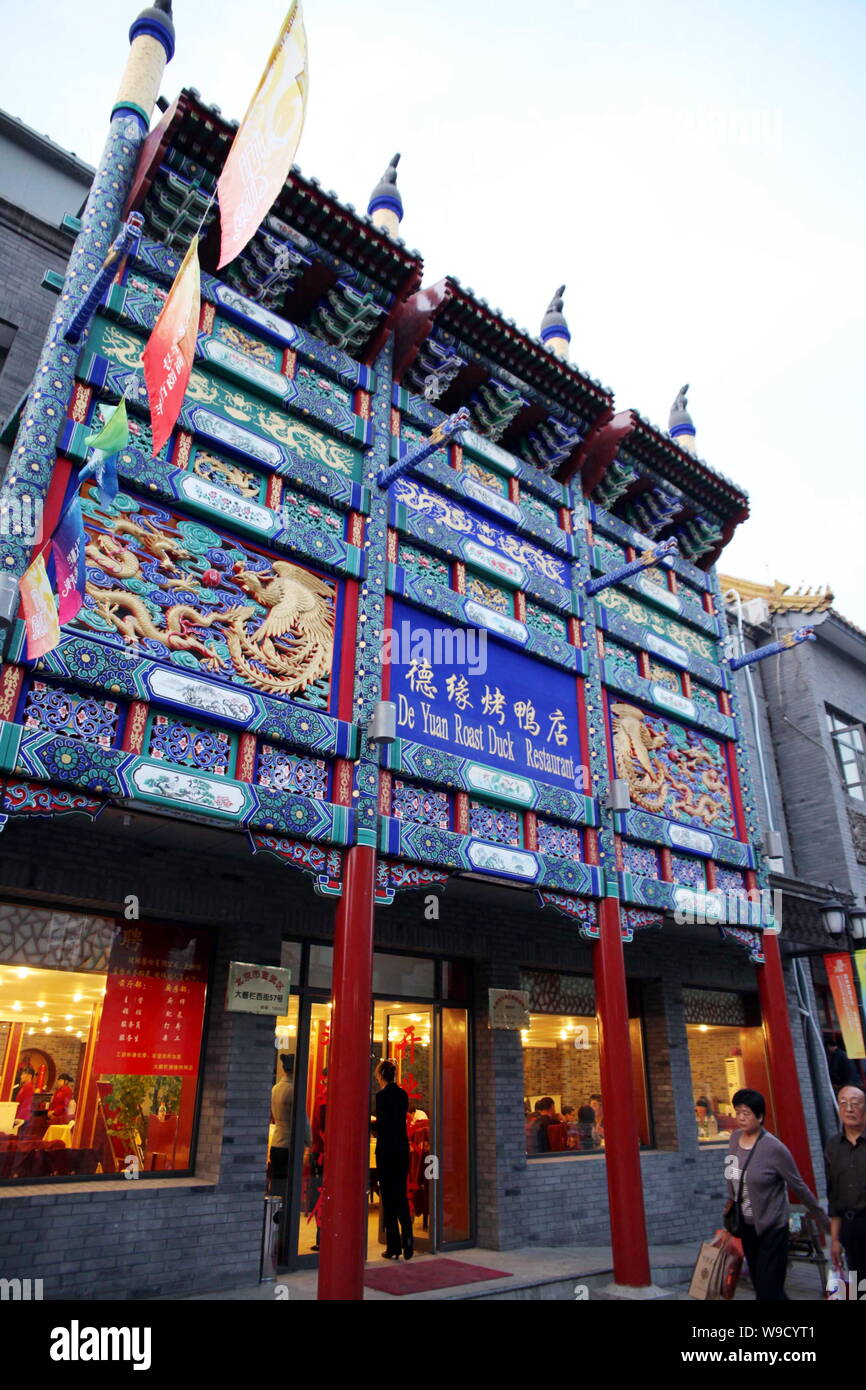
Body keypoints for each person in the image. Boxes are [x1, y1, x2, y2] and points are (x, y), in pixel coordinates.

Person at [723, 1088, 828, 1301]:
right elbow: (731, 1173)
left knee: (767, 1288)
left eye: (747, 1113)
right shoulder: (734, 1139)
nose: (741, 1118)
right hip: (746, 1226)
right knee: (761, 1283)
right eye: (738, 1112)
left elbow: (798, 1185)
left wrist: (823, 1219)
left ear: (760, 1117)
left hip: (771, 1227)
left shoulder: (774, 1148)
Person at [825, 1084, 866, 1281]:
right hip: (851, 1228)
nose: (849, 1108)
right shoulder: (833, 1147)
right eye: (843, 1103)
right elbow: (834, 1197)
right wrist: (834, 1240)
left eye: (855, 1103)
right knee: (859, 1285)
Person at [374, 1059, 413, 1260]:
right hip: (402, 1149)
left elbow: (383, 1124)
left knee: (388, 1198)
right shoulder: (403, 1094)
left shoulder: (381, 1096)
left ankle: (393, 1246)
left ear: (380, 1076)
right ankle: (408, 1240)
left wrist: (370, 1125)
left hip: (386, 1150)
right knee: (400, 1194)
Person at [270, 1054, 294, 1183]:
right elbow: (302, 1120)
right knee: (286, 1182)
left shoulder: (275, 1089)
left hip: (276, 1140)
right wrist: (308, 1142)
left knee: (276, 1180)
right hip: (288, 1142)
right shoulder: (293, 1090)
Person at [13, 1065, 36, 1130]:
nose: (21, 1076)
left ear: (30, 1076)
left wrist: (20, 1117)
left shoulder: (29, 1087)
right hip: (19, 1115)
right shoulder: (24, 1086)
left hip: (22, 1118)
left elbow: (26, 1104)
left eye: (23, 1074)